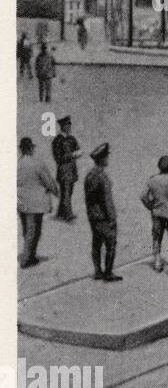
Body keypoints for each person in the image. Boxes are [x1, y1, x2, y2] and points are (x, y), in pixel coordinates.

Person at [17, 136, 59, 269]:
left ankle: (30, 256)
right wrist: (55, 191)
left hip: (22, 203)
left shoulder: (18, 164)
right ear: (30, 149)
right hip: (36, 204)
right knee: (34, 231)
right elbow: (48, 181)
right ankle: (27, 259)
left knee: (27, 230)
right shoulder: (37, 163)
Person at [84, 142, 121, 282]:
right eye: (106, 157)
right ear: (102, 159)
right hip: (104, 217)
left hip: (93, 216)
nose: (108, 159)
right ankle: (108, 273)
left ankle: (98, 271)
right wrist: (112, 217)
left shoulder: (89, 176)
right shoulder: (102, 177)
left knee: (97, 244)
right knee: (110, 244)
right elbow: (106, 200)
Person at [141, 155, 168, 273]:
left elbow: (143, 196)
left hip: (157, 213)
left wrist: (150, 206)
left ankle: (157, 261)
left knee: (156, 238)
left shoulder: (152, 180)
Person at [52, 115, 81, 222]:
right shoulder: (57, 141)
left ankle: (60, 213)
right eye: (67, 125)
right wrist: (72, 155)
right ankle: (68, 215)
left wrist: (77, 153)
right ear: (63, 127)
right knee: (66, 192)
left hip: (72, 170)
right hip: (63, 171)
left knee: (69, 192)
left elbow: (77, 148)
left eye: (70, 125)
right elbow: (58, 158)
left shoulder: (72, 139)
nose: (69, 127)